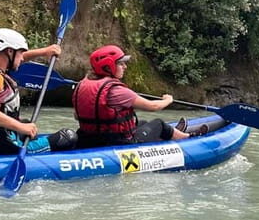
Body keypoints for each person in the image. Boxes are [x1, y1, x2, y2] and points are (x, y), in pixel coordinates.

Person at [0, 28, 76, 154]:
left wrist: (45, 51)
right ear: (9, 51)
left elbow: (18, 59)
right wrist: (21, 127)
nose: (22, 58)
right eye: (21, 53)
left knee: (27, 122)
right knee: (67, 137)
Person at [71, 45, 207, 148]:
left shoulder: (82, 85)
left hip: (88, 139)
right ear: (108, 66)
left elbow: (77, 116)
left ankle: (173, 133)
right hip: (117, 143)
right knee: (158, 123)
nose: (125, 67)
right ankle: (188, 138)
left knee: (141, 123)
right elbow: (153, 106)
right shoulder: (117, 91)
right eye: (120, 63)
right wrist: (167, 100)